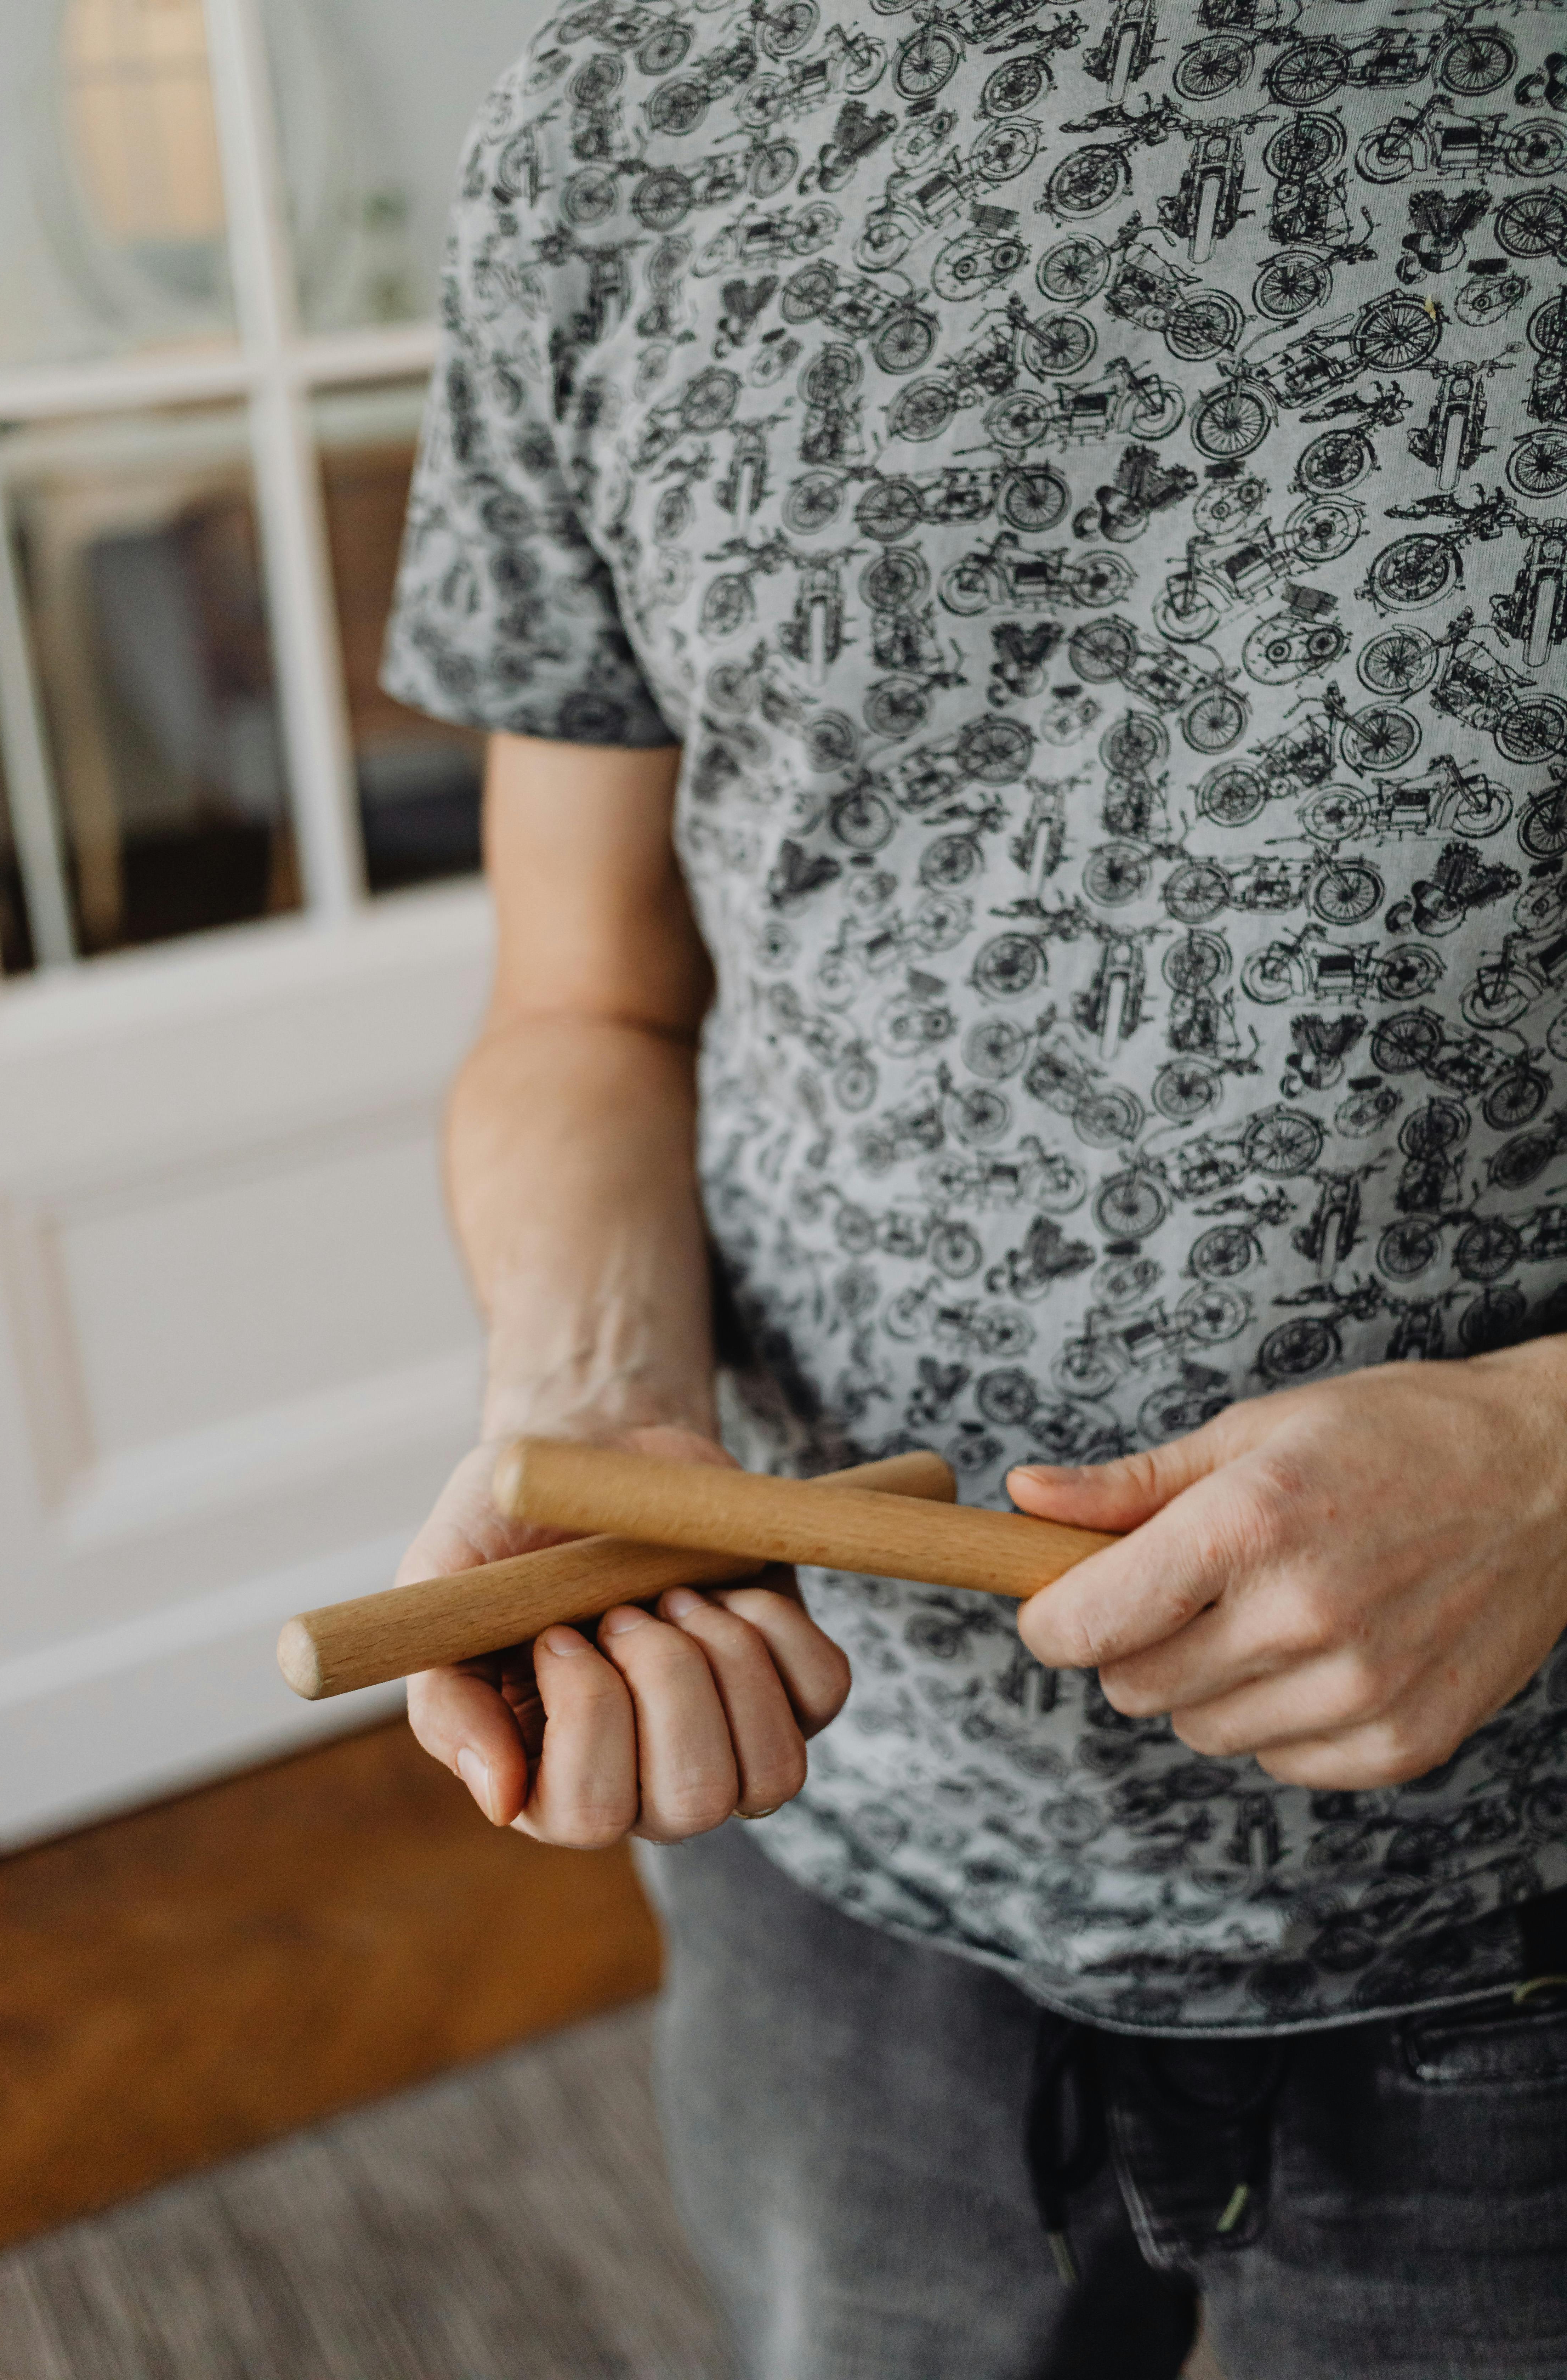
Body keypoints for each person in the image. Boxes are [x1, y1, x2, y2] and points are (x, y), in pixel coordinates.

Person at [381, 5, 1567, 2370]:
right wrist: (599, 1407)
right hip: (849, 1855)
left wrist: (1548, 1453)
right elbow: (586, 995)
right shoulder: (625, 106)